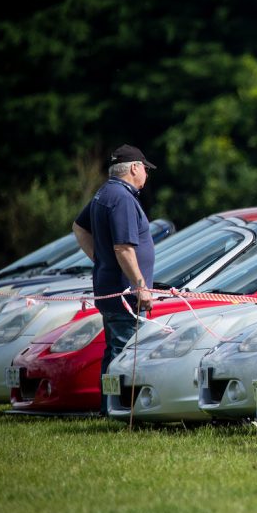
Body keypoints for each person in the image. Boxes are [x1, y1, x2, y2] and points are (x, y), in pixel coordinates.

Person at [71, 144, 157, 415]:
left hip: (110, 288)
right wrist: (140, 286)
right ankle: (119, 410)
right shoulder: (122, 198)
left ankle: (109, 407)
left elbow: (78, 227)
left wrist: (100, 258)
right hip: (124, 294)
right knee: (123, 352)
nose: (146, 174)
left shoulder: (105, 193)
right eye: (145, 168)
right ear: (134, 168)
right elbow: (123, 248)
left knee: (113, 351)